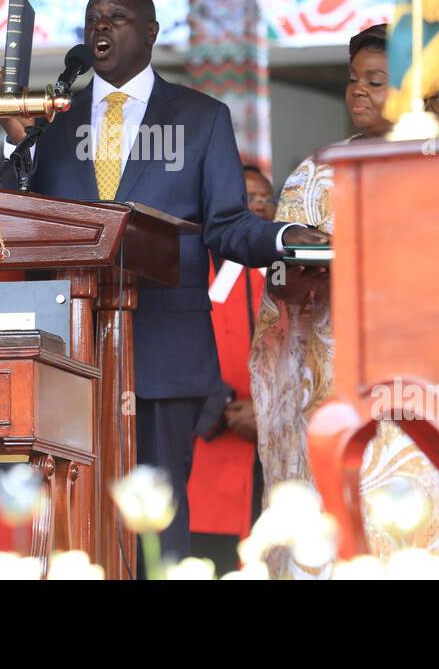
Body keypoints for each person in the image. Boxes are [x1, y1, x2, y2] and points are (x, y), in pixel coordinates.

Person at [0, 0, 328, 562]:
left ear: (150, 32)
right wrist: (17, 146)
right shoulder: (54, 121)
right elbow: (11, 217)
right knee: (72, 519)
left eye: (117, 18)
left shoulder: (200, 119)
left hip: (165, 347)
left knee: (157, 522)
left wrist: (280, 236)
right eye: (92, 18)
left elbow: (225, 225)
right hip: (68, 351)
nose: (101, 27)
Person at [249, 26, 439, 578]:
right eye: (352, 80)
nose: (357, 91)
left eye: (375, 81)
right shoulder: (315, 175)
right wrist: (296, 279)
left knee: (438, 531)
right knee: (354, 533)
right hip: (345, 392)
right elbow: (278, 294)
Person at [187, 165, 273, 574]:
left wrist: (269, 413)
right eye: (247, 198)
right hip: (210, 446)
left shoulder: (289, 275)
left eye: (265, 199)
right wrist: (219, 406)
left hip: (273, 446)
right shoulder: (189, 265)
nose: (257, 207)